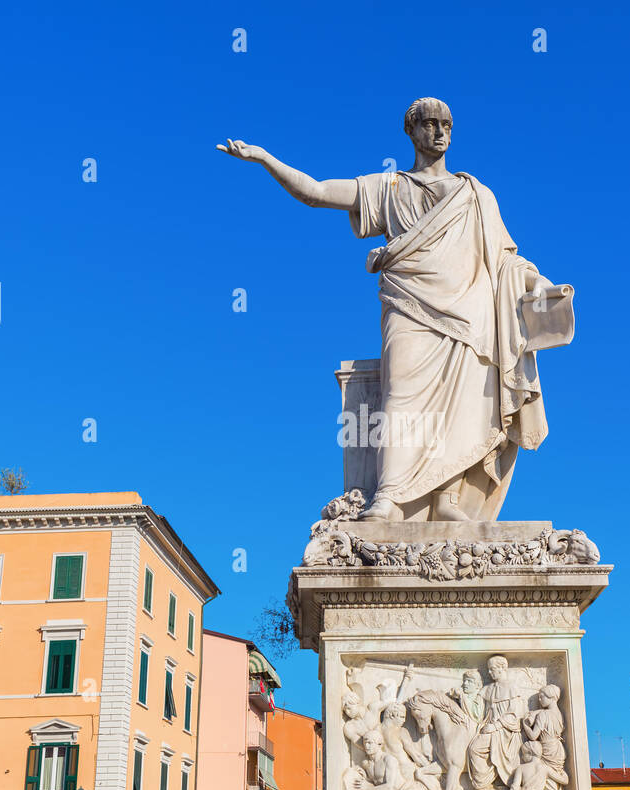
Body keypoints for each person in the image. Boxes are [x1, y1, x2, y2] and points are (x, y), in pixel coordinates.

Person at [217, 98, 559, 522]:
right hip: (410, 305)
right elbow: (318, 193)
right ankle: (390, 497)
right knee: (402, 397)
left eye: (446, 125)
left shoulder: (476, 195)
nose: (439, 132)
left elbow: (507, 258)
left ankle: (447, 500)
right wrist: (266, 158)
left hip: (470, 315)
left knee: (465, 406)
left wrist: (539, 283)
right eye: (429, 124)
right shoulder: (389, 187)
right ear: (411, 131)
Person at [467, 655, 528, 790]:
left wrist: (495, 726)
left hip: (505, 731)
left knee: (475, 748)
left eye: (492, 669)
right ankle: (482, 784)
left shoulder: (512, 688)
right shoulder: (487, 689)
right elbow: (476, 711)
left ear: (502, 668)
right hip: (489, 727)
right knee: (473, 748)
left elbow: (514, 715)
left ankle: (485, 785)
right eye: (488, 669)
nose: (489, 672)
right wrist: (463, 698)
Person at [522, 684, 573, 790]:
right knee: (554, 788)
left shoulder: (544, 715)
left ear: (551, 697)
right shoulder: (558, 714)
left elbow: (532, 736)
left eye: (542, 696)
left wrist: (524, 725)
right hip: (557, 749)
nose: (539, 699)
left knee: (549, 789)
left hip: (547, 750)